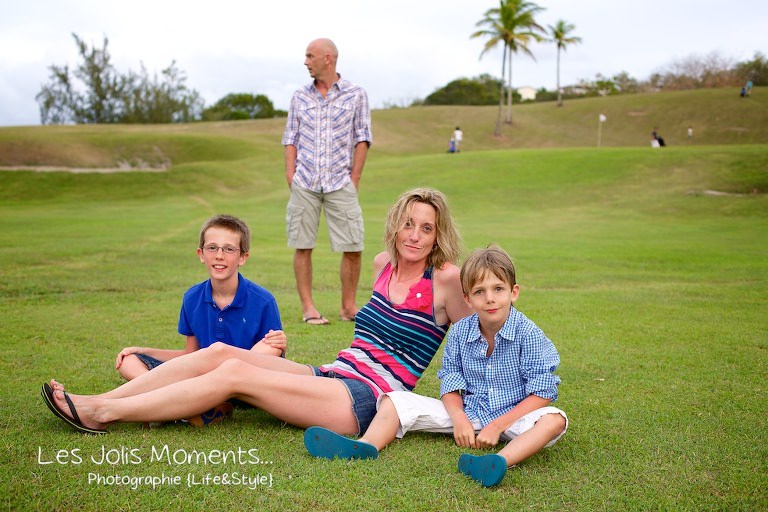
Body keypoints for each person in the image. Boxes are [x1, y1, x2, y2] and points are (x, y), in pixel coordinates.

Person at [41, 188, 472, 439]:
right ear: (396, 224)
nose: (415, 235)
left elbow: (478, 337)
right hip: (331, 373)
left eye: (427, 228)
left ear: (438, 235)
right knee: (220, 353)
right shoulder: (382, 264)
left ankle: (102, 414)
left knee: (235, 375)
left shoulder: (447, 279)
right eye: (409, 223)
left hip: (367, 401)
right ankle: (95, 403)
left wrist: (470, 406)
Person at [303, 246, 568, 488]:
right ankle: (365, 446)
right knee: (396, 400)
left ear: (514, 292)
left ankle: (497, 461)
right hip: (470, 413)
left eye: (498, 289)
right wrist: (460, 419)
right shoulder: (460, 331)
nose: (490, 298)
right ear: (467, 298)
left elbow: (543, 390)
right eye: (479, 292)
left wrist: (497, 427)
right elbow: (451, 380)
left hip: (513, 417)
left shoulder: (529, 334)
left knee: (554, 420)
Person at [113, 214, 286, 426]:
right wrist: (145, 352)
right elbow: (191, 356)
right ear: (201, 254)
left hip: (244, 382)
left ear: (243, 257)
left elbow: (272, 361)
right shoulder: (192, 297)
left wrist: (277, 345)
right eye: (212, 248)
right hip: (200, 375)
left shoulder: (263, 300)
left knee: (269, 347)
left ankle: (169, 405)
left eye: (229, 249)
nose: (219, 255)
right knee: (129, 361)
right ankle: (192, 406)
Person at [282, 37, 372, 325]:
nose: (306, 61)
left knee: (353, 245)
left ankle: (348, 308)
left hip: (340, 182)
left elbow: (362, 137)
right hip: (305, 181)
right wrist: (290, 173)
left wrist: (354, 177)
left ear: (328, 58)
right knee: (303, 244)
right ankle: (309, 308)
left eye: (310, 56)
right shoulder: (299, 96)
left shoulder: (356, 94)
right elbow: (290, 138)